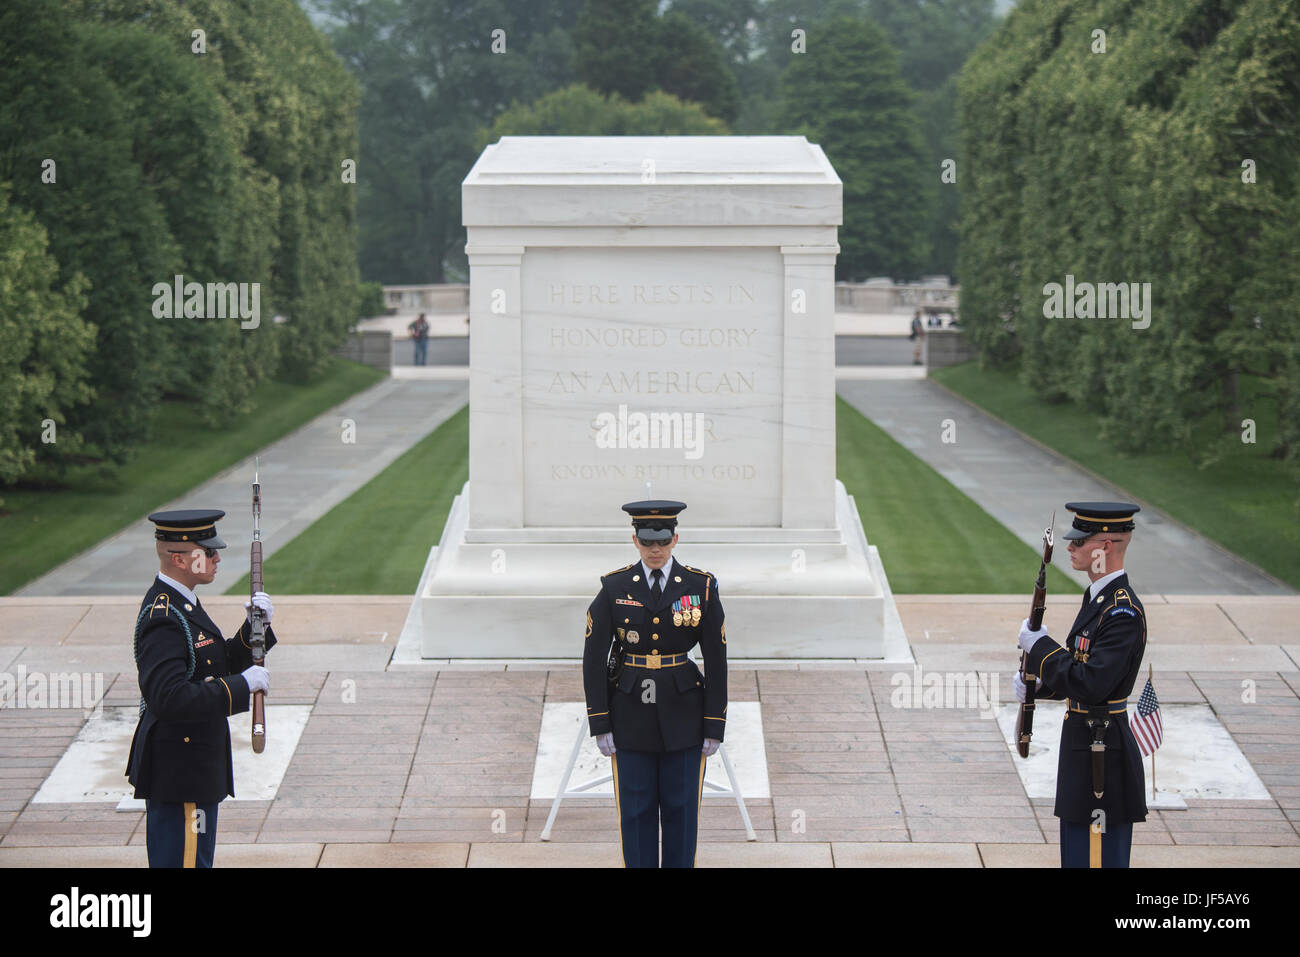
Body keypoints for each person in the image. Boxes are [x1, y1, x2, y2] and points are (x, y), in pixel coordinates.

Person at [125, 509, 277, 868]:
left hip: (192, 767)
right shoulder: (163, 617)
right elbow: (170, 698)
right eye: (208, 552)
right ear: (180, 558)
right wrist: (241, 687)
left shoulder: (182, 601)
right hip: (182, 774)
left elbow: (211, 662)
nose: (217, 558)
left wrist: (254, 630)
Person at [582, 500, 728, 867]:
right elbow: (593, 657)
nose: (656, 550)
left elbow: (716, 659)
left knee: (681, 814)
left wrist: (715, 724)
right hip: (630, 715)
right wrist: (600, 721)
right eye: (647, 542)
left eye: (662, 541)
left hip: (685, 715)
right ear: (635, 541)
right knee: (635, 813)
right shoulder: (614, 587)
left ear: (675, 539)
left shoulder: (701, 586)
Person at [1015, 501, 1148, 868]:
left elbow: (1091, 684)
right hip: (1085, 750)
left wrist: (1040, 646)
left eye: (1079, 542)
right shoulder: (1098, 598)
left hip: (1102, 759)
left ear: (1105, 547)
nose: (1070, 548)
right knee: (1078, 857)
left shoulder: (1121, 612)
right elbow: (1082, 670)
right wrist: (1038, 686)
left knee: (1095, 860)